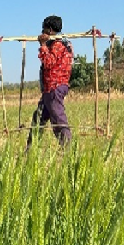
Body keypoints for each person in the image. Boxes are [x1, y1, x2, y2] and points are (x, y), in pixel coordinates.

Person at [26, 15, 73, 150]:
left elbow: (48, 62)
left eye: (44, 30)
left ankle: (68, 152)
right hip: (50, 89)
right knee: (38, 119)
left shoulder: (58, 45)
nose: (42, 32)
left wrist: (42, 45)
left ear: (50, 30)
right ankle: (30, 151)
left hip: (54, 87)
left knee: (58, 120)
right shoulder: (65, 43)